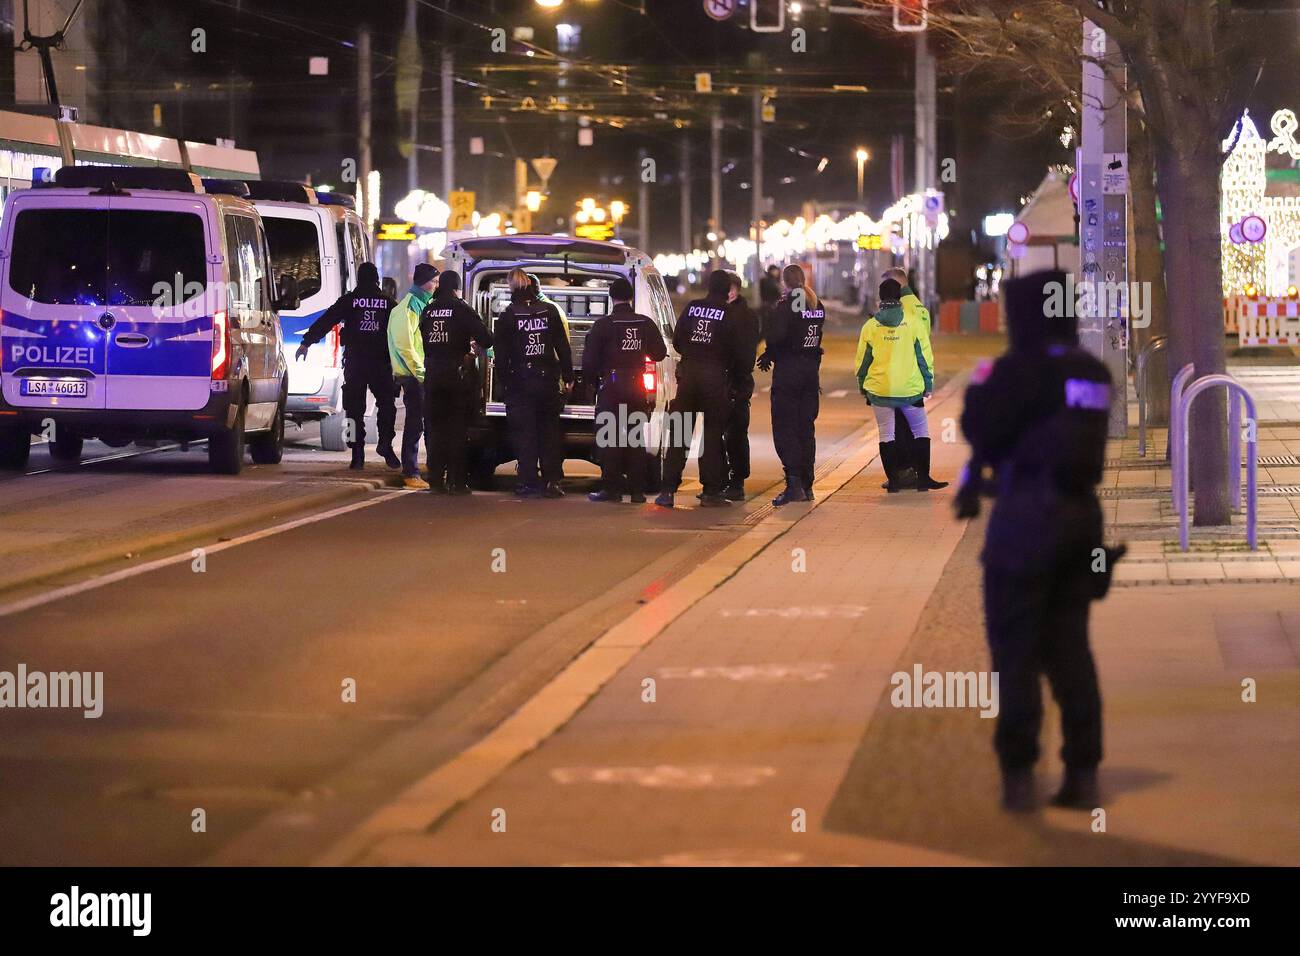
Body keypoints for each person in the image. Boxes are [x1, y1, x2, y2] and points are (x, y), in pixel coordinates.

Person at [957, 270, 1122, 813]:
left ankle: (1019, 774)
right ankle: (1082, 771)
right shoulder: (1093, 373)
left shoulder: (1015, 372)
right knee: (1071, 651)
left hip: (1025, 519)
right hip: (1081, 520)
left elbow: (980, 425)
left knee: (1016, 654)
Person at [656, 269, 745, 509]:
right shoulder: (729, 314)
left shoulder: (693, 307)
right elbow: (737, 350)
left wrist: (690, 355)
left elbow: (676, 340)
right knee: (713, 435)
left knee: (679, 434)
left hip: (690, 376)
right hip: (715, 378)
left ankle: (667, 491)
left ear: (708, 286)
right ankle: (711, 491)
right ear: (728, 290)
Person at [296, 262, 398, 471]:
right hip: (381, 363)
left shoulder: (349, 301)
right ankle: (385, 444)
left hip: (356, 363)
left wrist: (307, 342)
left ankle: (357, 454)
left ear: (359, 279)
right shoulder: (388, 303)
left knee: (353, 410)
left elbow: (326, 321)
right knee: (387, 405)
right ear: (377, 279)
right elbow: (399, 334)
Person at [856, 278, 947, 492]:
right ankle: (923, 478)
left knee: (886, 433)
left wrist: (863, 386)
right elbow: (924, 357)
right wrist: (928, 384)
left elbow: (862, 362)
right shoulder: (913, 322)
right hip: (910, 391)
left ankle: (894, 482)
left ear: (880, 297)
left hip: (880, 390)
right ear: (900, 298)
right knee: (920, 432)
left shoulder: (870, 326)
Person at [582, 277, 667, 503]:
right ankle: (637, 492)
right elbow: (660, 353)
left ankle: (612, 489)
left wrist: (591, 384)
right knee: (635, 438)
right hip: (637, 387)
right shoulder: (644, 323)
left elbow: (589, 361)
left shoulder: (603, 325)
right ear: (631, 297)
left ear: (612, 298)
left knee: (611, 438)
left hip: (612, 386)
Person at [495, 268, 573, 498]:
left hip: (521, 384)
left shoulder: (508, 315)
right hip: (547, 381)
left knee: (526, 434)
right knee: (549, 432)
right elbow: (563, 348)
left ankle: (528, 481)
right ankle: (552, 481)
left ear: (511, 287)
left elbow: (501, 356)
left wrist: (505, 383)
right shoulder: (549, 311)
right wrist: (568, 378)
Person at [419, 270, 492, 495]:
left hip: (432, 375)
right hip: (456, 376)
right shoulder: (461, 309)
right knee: (457, 429)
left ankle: (435, 479)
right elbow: (487, 338)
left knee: (434, 428)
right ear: (456, 289)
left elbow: (424, 337)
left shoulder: (428, 310)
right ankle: (457, 480)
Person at [759, 264, 825, 506]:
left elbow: (778, 336)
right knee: (805, 429)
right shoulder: (817, 305)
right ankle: (807, 485)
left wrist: (770, 352)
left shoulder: (786, 306)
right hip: (810, 375)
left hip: (789, 375)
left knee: (786, 429)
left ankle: (794, 484)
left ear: (784, 283)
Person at [388, 262, 439, 489]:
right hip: (413, 377)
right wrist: (422, 374)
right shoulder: (407, 308)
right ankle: (410, 472)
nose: (436, 286)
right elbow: (406, 347)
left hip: (422, 375)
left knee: (427, 423)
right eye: (434, 281)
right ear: (423, 282)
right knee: (415, 425)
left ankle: (426, 468)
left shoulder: (422, 305)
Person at [722, 272, 761, 501]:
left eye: (731, 289)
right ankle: (722, 479)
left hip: (737, 383)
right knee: (719, 434)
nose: (728, 294)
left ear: (737, 290)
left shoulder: (746, 316)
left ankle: (737, 481)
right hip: (719, 382)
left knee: (736, 434)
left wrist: (737, 383)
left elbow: (746, 353)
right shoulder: (720, 312)